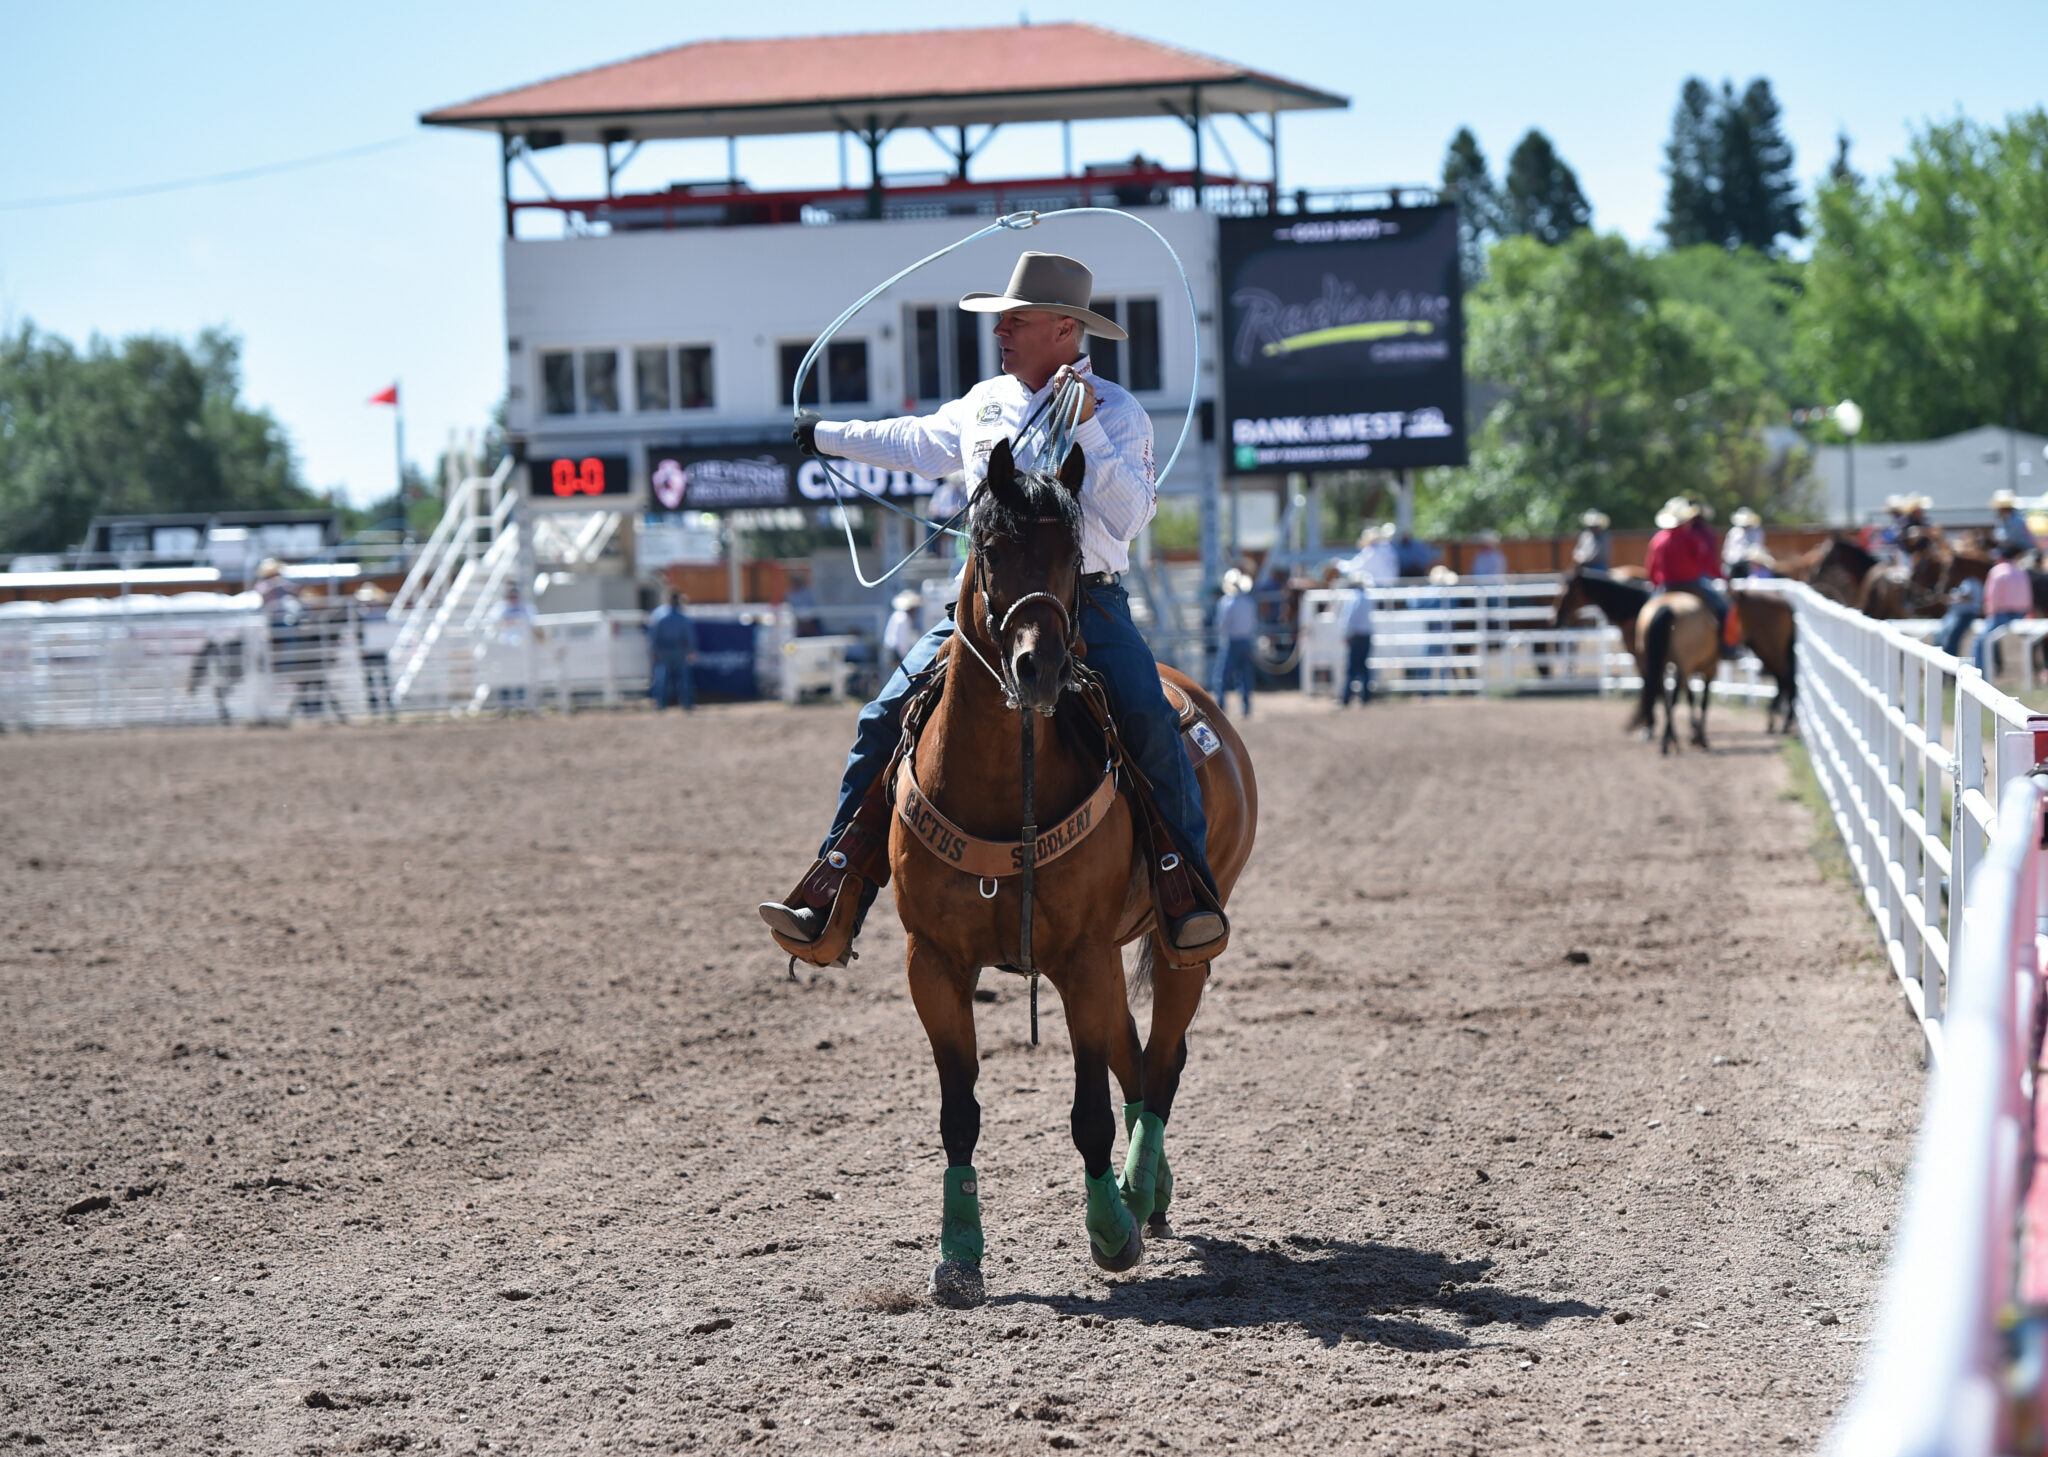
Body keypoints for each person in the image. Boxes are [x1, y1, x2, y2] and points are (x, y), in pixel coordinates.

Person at [757, 249, 1226, 960]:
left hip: (1087, 607)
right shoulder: (983, 403)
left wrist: (1087, 427)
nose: (1000, 330)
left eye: (1016, 320)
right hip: (984, 615)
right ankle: (836, 884)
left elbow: (1129, 517)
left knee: (1148, 722)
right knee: (882, 716)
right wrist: (827, 435)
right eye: (1001, 319)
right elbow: (915, 441)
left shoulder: (1120, 413)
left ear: (1065, 328)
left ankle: (1181, 885)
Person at [1644, 497, 1731, 633]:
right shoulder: (1692, 539)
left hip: (1666, 587)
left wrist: (1655, 584)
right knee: (1723, 608)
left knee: (1646, 611)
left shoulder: (1657, 540)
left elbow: (1651, 568)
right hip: (1692, 584)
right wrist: (1723, 578)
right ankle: (1727, 643)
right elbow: (1707, 564)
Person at [1976, 543, 2033, 675]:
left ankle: (1980, 674)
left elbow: (1993, 596)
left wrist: (1990, 611)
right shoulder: (2021, 571)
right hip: (2022, 613)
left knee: (1980, 642)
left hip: (2003, 614)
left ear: (2001, 557)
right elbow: (2028, 596)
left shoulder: (1997, 571)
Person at [1211, 568, 1257, 716]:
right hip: (1246, 641)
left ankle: (1220, 707)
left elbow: (1222, 625)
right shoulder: (1249, 602)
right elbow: (1253, 623)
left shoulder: (1226, 602)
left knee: (1222, 675)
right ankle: (1246, 707)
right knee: (1244, 675)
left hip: (1231, 641)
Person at [646, 591, 698, 710]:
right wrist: (691, 650)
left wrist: (655, 650)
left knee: (662, 678)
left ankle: (661, 703)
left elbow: (653, 636)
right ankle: (686, 704)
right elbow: (690, 636)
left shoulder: (659, 615)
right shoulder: (682, 617)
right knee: (683, 678)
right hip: (680, 650)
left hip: (663, 650)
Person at [354, 584, 394, 718]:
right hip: (368, 651)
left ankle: (387, 703)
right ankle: (375, 706)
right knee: (371, 679)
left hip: (377, 649)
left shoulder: (377, 614)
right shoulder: (363, 614)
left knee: (383, 677)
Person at [1338, 574, 1374, 707]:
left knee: (1351, 668)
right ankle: (1365, 697)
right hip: (1366, 634)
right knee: (1363, 667)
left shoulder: (1352, 597)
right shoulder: (1367, 597)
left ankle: (1346, 697)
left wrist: (1346, 633)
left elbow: (1349, 617)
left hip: (1355, 635)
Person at [1936, 573, 1984, 659]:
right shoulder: (1965, 582)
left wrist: (1951, 597)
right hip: (1956, 613)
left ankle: (1950, 659)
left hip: (1967, 614)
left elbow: (1968, 596)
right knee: (1941, 635)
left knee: (1952, 637)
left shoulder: (1972, 582)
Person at [883, 589, 922, 677]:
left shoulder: (897, 615)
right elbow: (902, 641)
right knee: (899, 676)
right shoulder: (904, 618)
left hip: (891, 650)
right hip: (896, 652)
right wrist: (905, 657)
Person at [1992, 490, 2037, 558]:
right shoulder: (2001, 520)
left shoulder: (2017, 520)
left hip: (2023, 549)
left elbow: (2008, 538)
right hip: (2011, 548)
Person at [1723, 507, 1766, 575]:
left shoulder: (1756, 532)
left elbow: (1757, 547)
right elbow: (1728, 550)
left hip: (1748, 564)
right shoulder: (1734, 532)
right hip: (1732, 564)